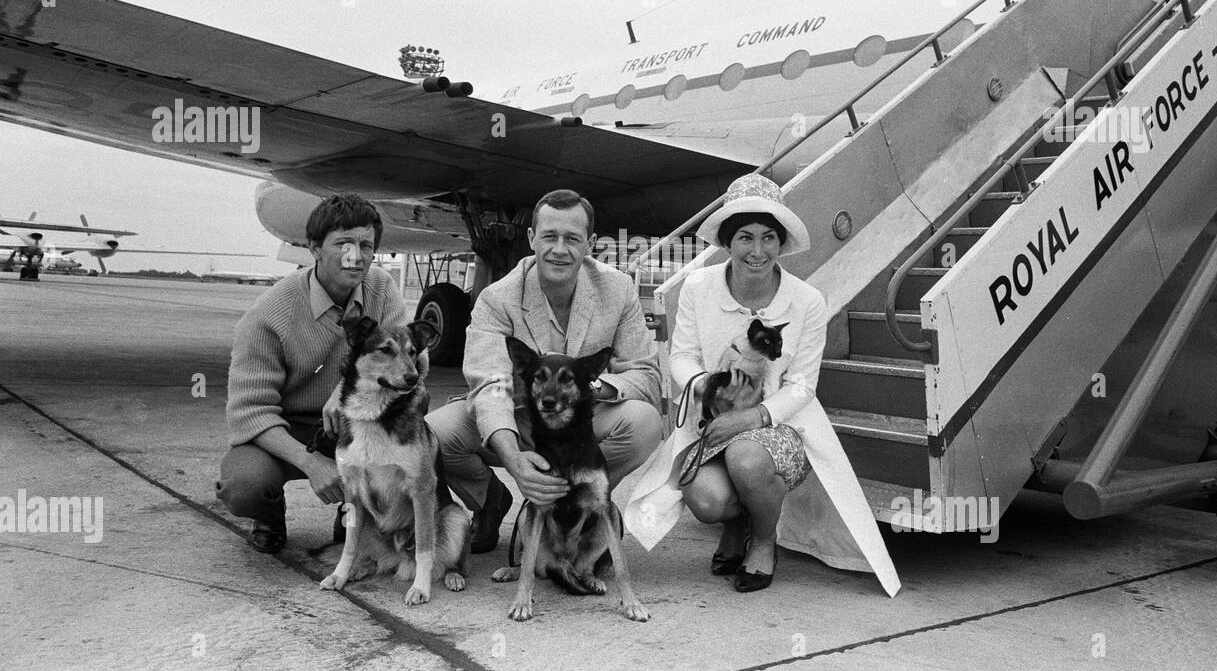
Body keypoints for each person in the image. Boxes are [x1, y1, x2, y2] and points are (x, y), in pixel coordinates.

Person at [625, 174, 900, 596]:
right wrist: (705, 387)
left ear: (780, 242)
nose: (757, 251)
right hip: (713, 417)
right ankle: (735, 524)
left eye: (768, 238)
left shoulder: (806, 299)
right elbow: (681, 357)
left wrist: (753, 416)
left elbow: (803, 385)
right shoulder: (698, 286)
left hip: (781, 425)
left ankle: (764, 540)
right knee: (704, 499)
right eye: (746, 238)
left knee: (747, 459)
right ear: (728, 243)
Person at [427, 189, 663, 554]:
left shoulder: (618, 289)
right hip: (520, 421)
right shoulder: (497, 298)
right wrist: (513, 460)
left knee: (645, 422)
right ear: (531, 238)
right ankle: (489, 499)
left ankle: (585, 499)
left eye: (572, 238)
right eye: (549, 236)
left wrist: (592, 387)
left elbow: (645, 375)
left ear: (591, 244)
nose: (559, 249)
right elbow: (491, 385)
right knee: (434, 436)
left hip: (581, 425)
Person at [217, 193, 407, 553]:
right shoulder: (268, 314)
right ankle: (269, 514)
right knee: (246, 485)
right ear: (315, 248)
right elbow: (249, 413)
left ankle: (354, 508)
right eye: (343, 244)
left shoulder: (381, 288)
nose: (356, 255)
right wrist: (310, 462)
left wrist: (347, 390)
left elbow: (410, 367)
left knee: (413, 414)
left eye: (366, 245)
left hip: (351, 419)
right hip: (286, 426)